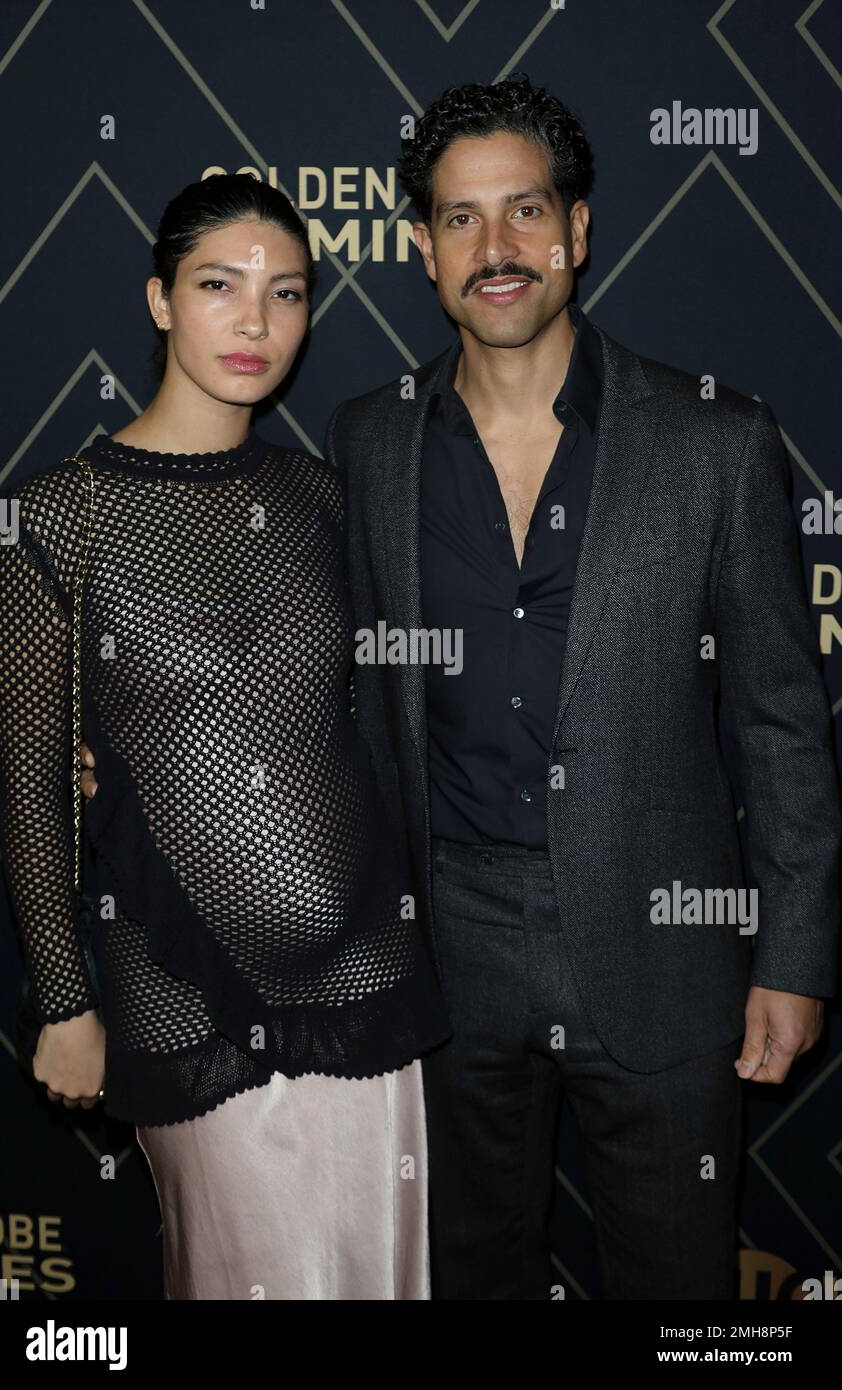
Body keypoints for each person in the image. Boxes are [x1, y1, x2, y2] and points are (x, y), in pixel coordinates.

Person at [320, 76, 842, 1299]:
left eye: (522, 212)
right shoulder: (366, 441)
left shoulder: (716, 441)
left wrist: (796, 956)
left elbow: (778, 719)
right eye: (458, 219)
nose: (494, 250)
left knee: (678, 1284)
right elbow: (328, 689)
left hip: (663, 952)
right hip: (444, 958)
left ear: (576, 230)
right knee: (468, 1275)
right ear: (418, 246)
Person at [0, 172, 451, 1300]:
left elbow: (367, 727)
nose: (254, 322)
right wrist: (60, 998)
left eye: (286, 293)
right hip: (188, 997)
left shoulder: (321, 495)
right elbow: (34, 785)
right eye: (218, 285)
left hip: (369, 988)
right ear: (158, 301)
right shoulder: (57, 518)